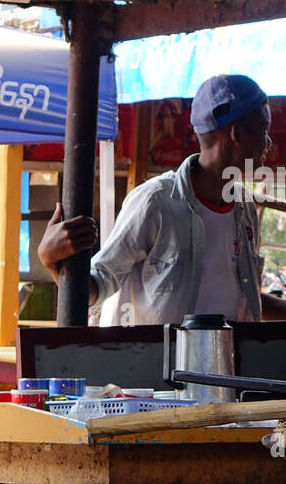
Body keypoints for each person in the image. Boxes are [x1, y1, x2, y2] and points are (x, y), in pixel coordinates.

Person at [37, 74, 286, 324]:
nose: (268, 141)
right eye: (263, 129)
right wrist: (51, 261)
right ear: (237, 134)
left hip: (223, 362)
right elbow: (97, 287)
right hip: (152, 363)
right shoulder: (155, 202)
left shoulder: (244, 210)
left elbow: (243, 298)